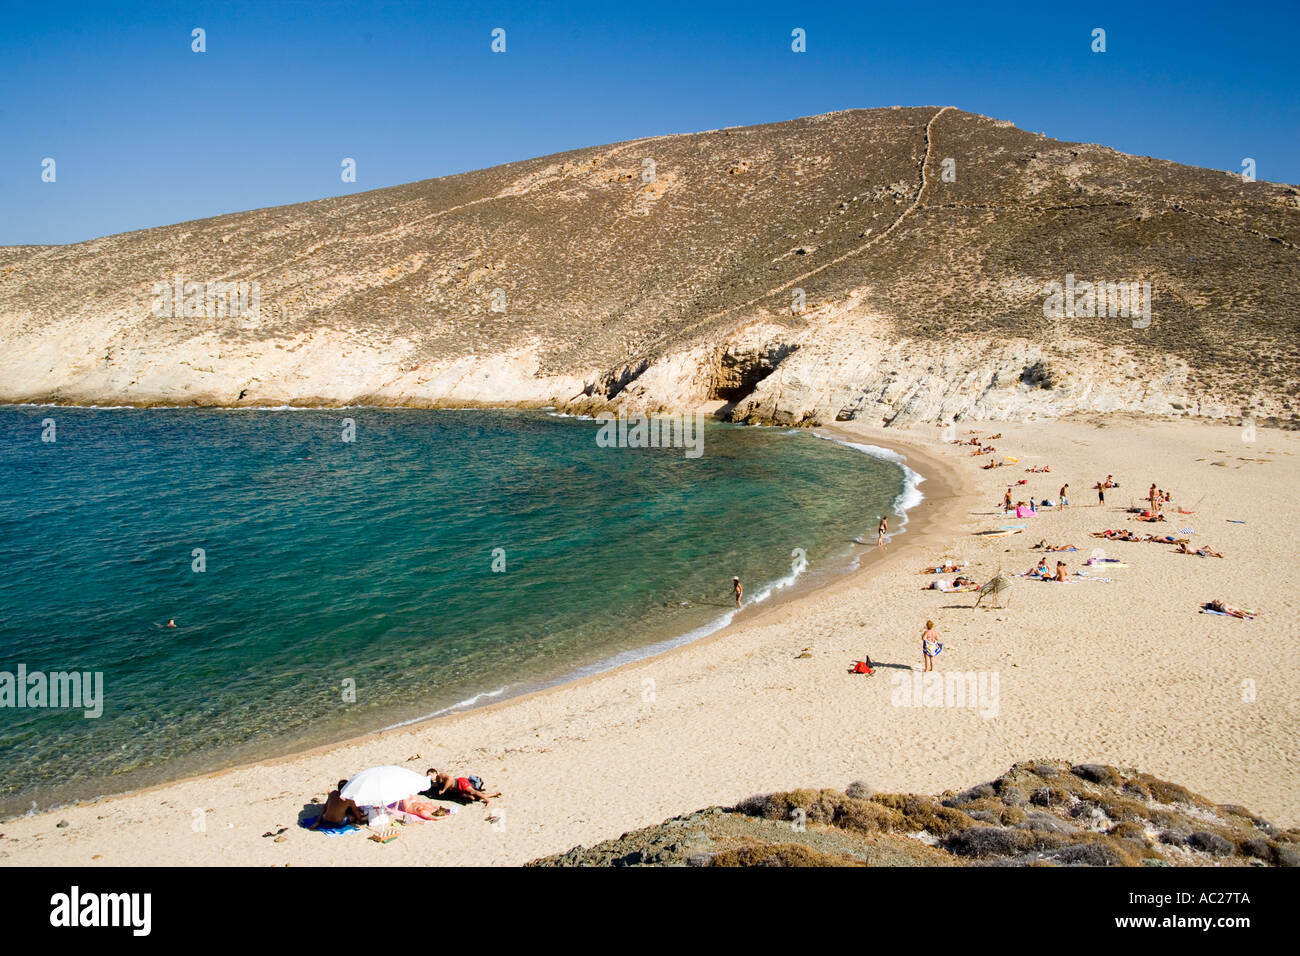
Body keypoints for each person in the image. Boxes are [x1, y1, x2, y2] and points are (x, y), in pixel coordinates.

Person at [427, 768, 502, 806]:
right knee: (473, 797)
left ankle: (488, 800)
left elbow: (450, 779)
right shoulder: (436, 783)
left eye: (430, 775)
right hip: (457, 790)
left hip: (459, 782)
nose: (429, 777)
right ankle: (494, 794)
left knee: (472, 791)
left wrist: (443, 790)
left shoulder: (441, 776)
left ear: (435, 773)